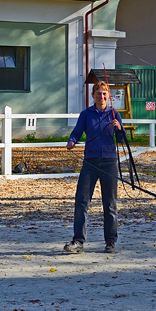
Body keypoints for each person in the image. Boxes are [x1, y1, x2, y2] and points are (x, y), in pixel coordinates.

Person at [64, 80, 124, 254]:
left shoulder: (114, 114)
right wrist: (72, 141)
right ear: (93, 96)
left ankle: (110, 242)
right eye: (98, 93)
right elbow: (77, 131)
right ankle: (78, 241)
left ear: (108, 96)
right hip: (90, 161)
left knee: (110, 203)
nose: (102, 96)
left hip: (109, 162)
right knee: (82, 201)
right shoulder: (86, 114)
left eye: (104, 94)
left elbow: (122, 139)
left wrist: (119, 127)